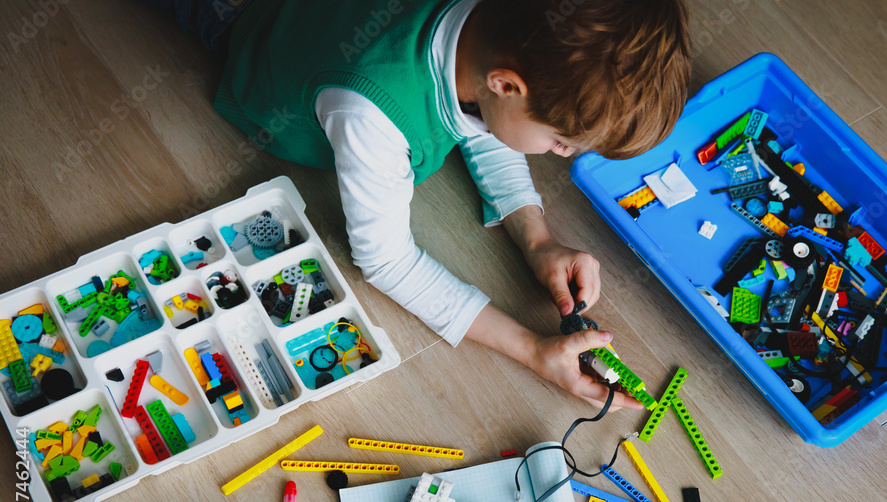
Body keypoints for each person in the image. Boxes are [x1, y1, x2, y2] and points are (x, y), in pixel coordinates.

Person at [142, 0, 691, 410]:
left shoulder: (491, 35)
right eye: (561, 142)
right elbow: (386, 260)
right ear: (505, 83)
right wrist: (531, 349)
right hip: (250, 23)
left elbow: (483, 120)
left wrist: (536, 237)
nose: (561, 154)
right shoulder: (371, 113)